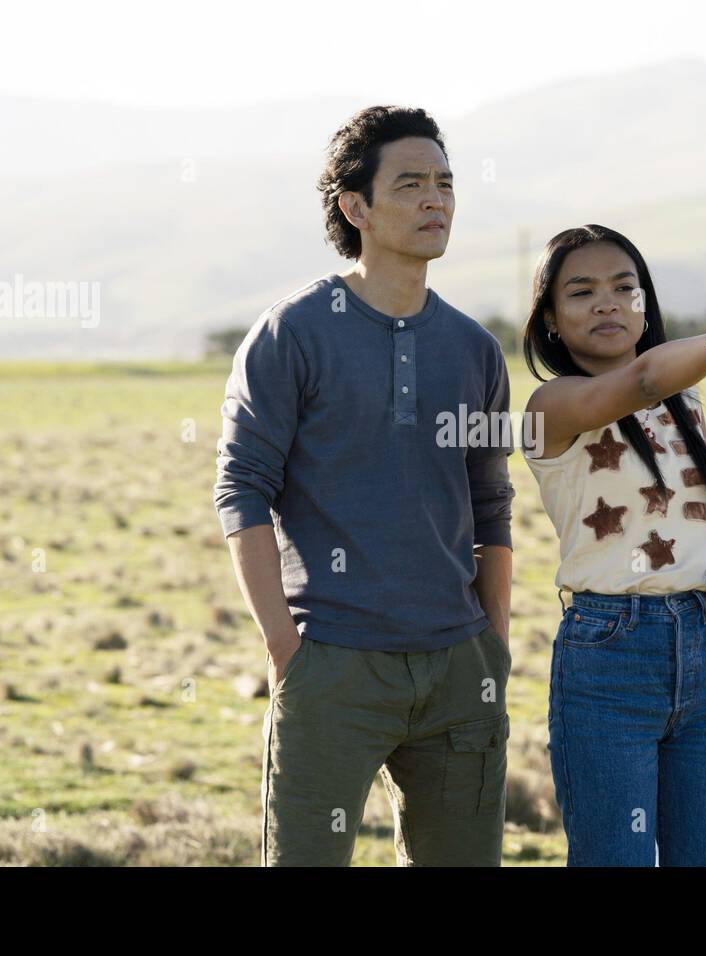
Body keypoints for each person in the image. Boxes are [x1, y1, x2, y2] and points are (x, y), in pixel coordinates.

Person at [213, 106, 515, 866]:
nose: (435, 200)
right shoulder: (295, 333)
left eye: (445, 183)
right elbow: (241, 488)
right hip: (333, 665)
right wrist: (288, 652)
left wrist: (493, 643)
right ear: (356, 207)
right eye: (410, 183)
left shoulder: (473, 348)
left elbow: (491, 505)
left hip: (457, 670)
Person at [521, 224, 706, 866]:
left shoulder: (683, 398)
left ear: (645, 304)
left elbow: (686, 511)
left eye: (626, 288)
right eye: (583, 291)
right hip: (608, 660)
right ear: (550, 320)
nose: (608, 303)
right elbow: (642, 380)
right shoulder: (553, 405)